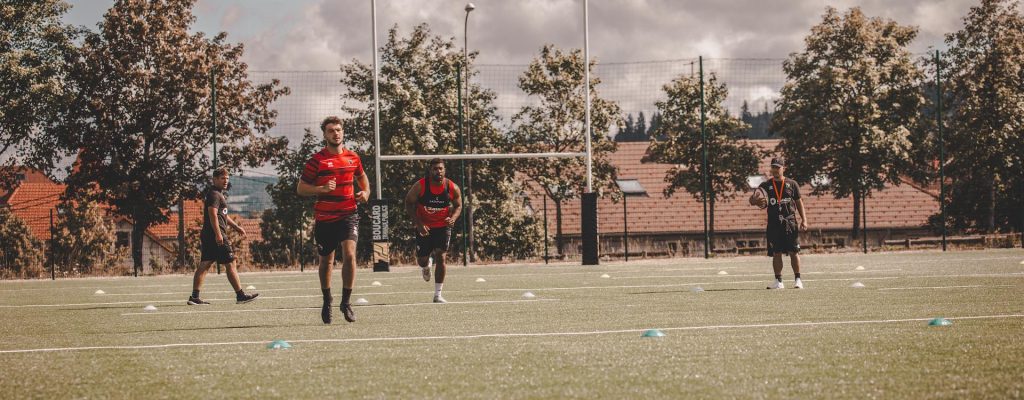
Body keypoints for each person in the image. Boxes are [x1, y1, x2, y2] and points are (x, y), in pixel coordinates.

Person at [297, 116, 370, 324]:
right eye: (331, 130)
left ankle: (346, 302)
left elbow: (363, 180)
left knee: (349, 255)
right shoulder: (316, 161)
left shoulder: (353, 157)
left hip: (348, 214)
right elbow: (301, 188)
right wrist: (320, 189)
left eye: (338, 130)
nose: (335, 133)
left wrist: (365, 193)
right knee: (326, 262)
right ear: (324, 134)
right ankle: (327, 299)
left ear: (343, 132)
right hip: (325, 217)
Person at [187, 168, 259, 305]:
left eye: (227, 178)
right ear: (214, 179)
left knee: (205, 264)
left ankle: (194, 297)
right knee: (231, 263)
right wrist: (219, 234)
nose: (225, 181)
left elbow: (222, 215)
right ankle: (240, 295)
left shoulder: (218, 194)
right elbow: (212, 214)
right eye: (222, 178)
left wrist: (236, 227)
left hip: (209, 235)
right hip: (216, 235)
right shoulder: (214, 194)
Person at [404, 158, 462, 303]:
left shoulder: (451, 187)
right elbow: (408, 203)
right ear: (430, 170)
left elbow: (458, 205)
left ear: (444, 170)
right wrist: (418, 223)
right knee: (422, 260)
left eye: (441, 168)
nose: (438, 171)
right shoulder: (420, 186)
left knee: (441, 257)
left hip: (442, 227)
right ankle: (425, 266)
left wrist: (453, 218)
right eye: (435, 169)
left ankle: (438, 294)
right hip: (425, 227)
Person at [750, 157, 809, 289]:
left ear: (784, 168)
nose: (775, 170)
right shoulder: (765, 186)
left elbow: (799, 202)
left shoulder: (792, 184)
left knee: (794, 251)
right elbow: (752, 199)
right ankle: (778, 281)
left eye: (778, 167)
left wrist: (804, 219)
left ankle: (798, 279)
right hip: (774, 224)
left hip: (790, 222)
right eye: (773, 167)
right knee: (776, 252)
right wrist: (755, 201)